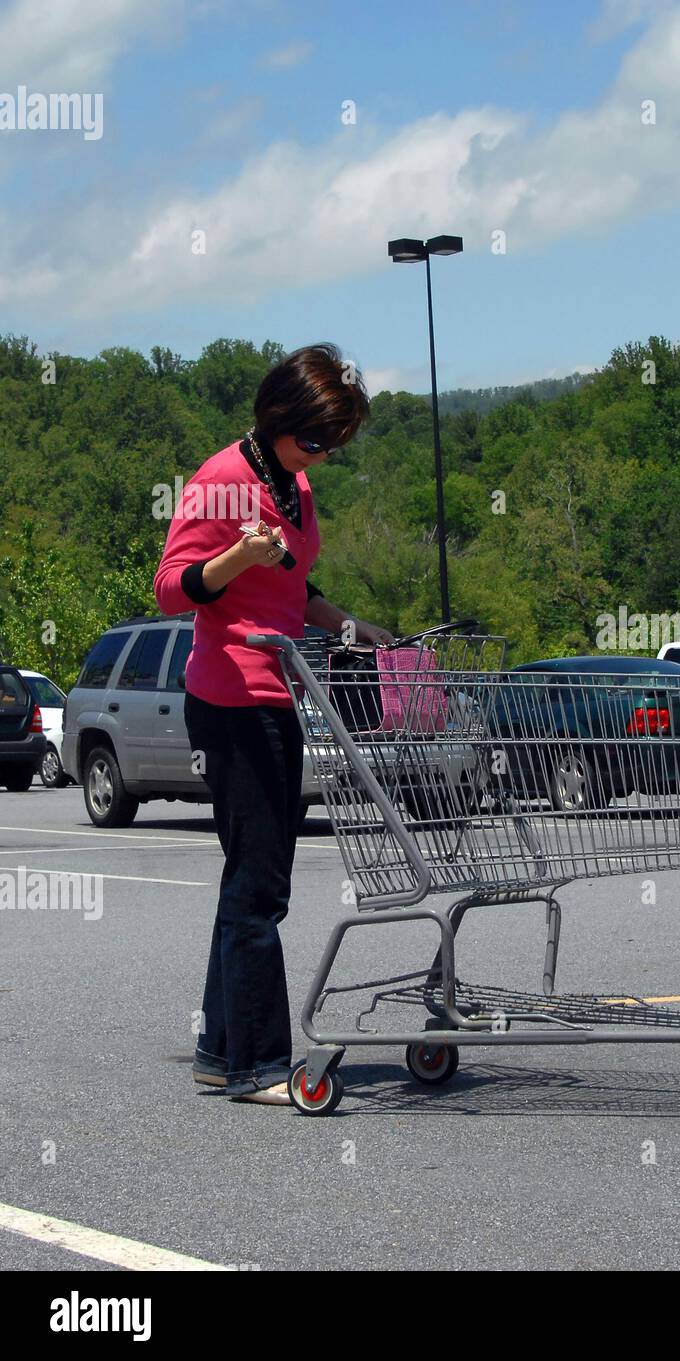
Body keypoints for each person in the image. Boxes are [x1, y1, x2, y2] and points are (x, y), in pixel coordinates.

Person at [154, 343, 394, 1104]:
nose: (323, 457)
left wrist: (347, 622)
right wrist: (231, 559)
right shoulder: (224, 477)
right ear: (279, 418)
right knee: (260, 887)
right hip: (232, 697)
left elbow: (292, 579)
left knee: (248, 879)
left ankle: (219, 1047)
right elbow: (169, 587)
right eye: (317, 440)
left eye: (335, 445)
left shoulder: (288, 483)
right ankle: (258, 1064)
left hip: (277, 691)